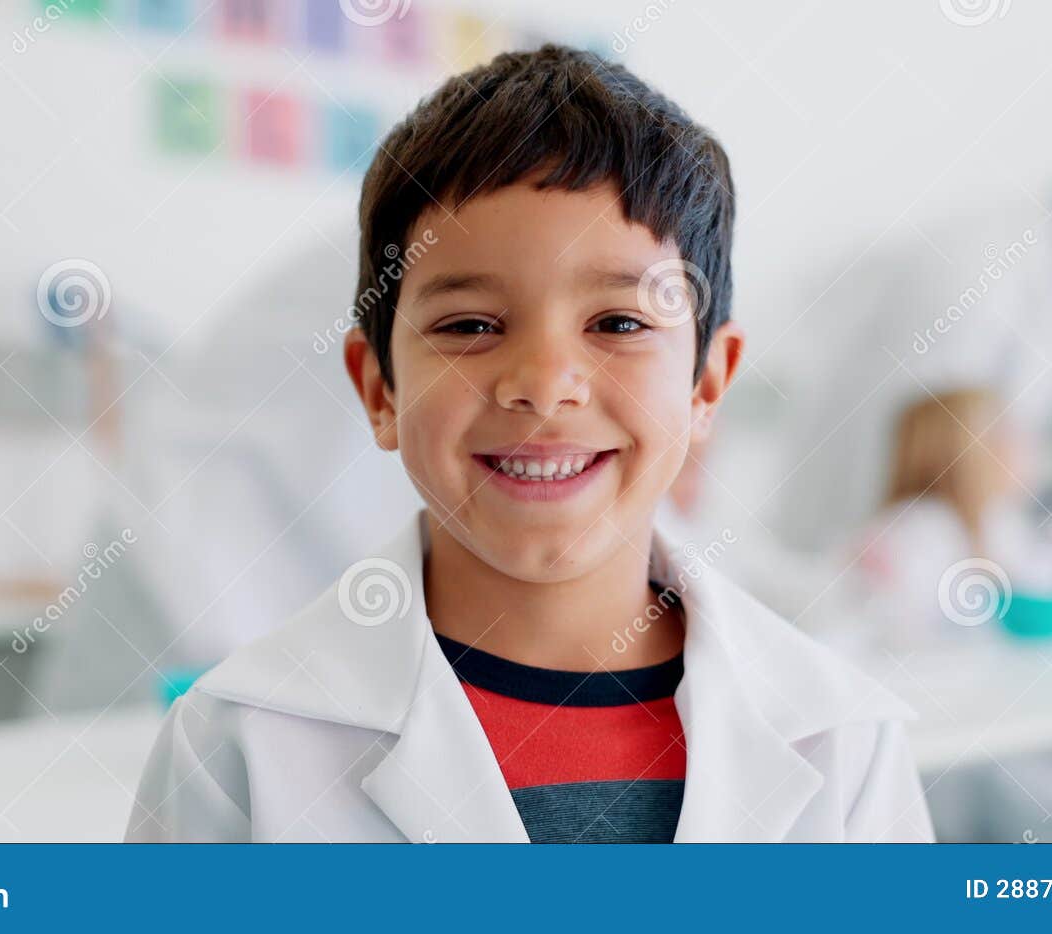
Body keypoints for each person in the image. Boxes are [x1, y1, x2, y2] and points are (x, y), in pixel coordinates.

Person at [126, 45, 932, 843]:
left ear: (707, 386)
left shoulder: (845, 741)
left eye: (618, 323)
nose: (544, 385)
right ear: (378, 390)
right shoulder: (236, 747)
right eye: (470, 326)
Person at [773, 138, 1052, 552]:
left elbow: (1007, 441)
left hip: (943, 539)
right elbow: (941, 435)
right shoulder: (989, 259)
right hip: (865, 522)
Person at [844, 389, 1041, 638]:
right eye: (1006, 433)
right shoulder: (922, 529)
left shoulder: (998, 523)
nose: (1028, 444)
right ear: (970, 455)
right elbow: (889, 628)